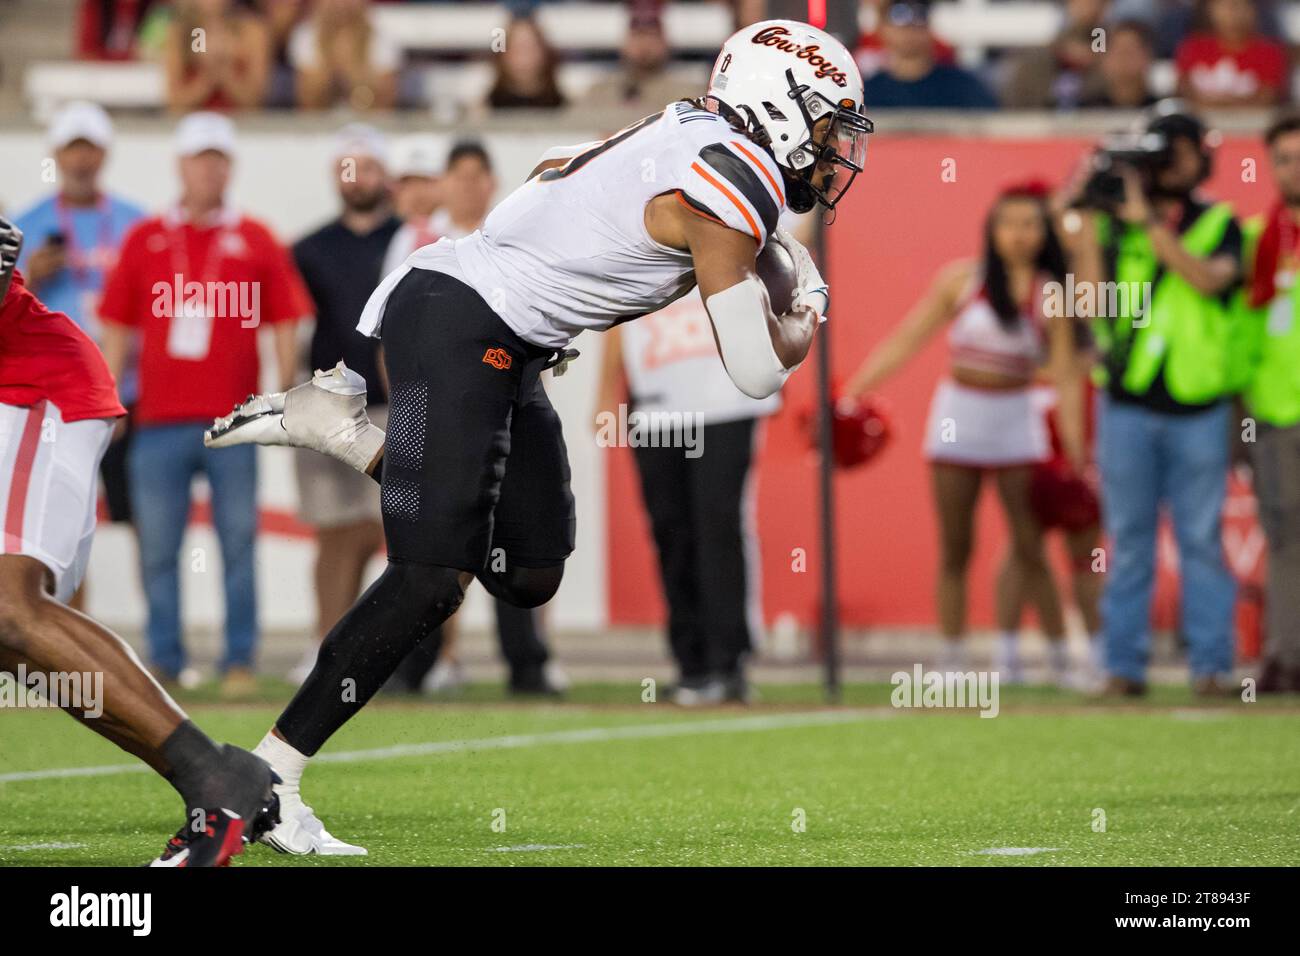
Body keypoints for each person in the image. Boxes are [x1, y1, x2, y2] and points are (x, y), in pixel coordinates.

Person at [205, 18, 865, 854]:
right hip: (457, 317)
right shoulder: (732, 182)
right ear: (774, 106)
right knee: (432, 578)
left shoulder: (701, 139)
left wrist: (774, 260)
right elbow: (758, 368)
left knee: (529, 574)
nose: (833, 144)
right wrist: (806, 310)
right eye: (825, 119)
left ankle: (342, 432)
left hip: (505, 339)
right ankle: (266, 780)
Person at [0, 218, 277, 867]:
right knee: (13, 645)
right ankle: (213, 777)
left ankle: (215, 778)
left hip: (33, 387)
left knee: (10, 606)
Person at [844, 182, 1087, 684]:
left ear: (1043, 233)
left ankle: (1056, 659)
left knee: (1030, 547)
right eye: (1008, 224)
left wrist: (1075, 453)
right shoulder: (961, 280)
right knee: (956, 546)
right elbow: (907, 338)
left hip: (1017, 420)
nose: (1018, 235)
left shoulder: (1052, 295)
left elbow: (1064, 375)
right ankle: (952, 660)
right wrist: (852, 393)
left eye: (1029, 225)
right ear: (991, 231)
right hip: (959, 419)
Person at [98, 112, 306, 697]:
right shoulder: (145, 239)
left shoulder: (255, 237)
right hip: (158, 418)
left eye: (218, 158)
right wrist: (110, 397)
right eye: (199, 158)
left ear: (229, 166)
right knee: (158, 544)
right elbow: (117, 325)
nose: (209, 169)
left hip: (232, 420)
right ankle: (165, 657)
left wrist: (284, 386)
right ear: (180, 165)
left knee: (237, 541)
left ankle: (238, 659)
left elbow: (287, 314)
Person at [1067, 101, 1243, 696]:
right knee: (1129, 540)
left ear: (1202, 157)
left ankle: (1213, 667)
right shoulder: (1113, 222)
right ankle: (1122, 667)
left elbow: (1208, 278)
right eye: (1159, 149)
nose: (1169, 161)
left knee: (1200, 540)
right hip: (1128, 402)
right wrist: (1087, 215)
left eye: (1180, 149)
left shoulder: (1220, 224)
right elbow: (1089, 304)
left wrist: (1146, 222)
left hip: (1199, 404)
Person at [594, 287, 780, 704]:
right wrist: (607, 392)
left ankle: (728, 660)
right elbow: (622, 316)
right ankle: (691, 664)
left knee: (719, 524)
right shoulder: (643, 234)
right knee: (670, 531)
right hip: (657, 405)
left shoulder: (733, 228)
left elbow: (793, 238)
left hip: (727, 400)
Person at [287, 124, 400, 685]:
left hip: (398, 405)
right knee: (334, 533)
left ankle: (409, 658)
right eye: (347, 166)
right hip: (330, 409)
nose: (357, 177)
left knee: (397, 535)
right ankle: (326, 647)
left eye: (367, 165)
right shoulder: (307, 250)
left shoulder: (411, 241)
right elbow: (291, 328)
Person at [14, 102, 144, 538]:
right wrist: (31, 277)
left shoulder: (136, 224)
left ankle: (132, 607)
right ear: (56, 155)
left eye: (90, 149)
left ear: (104, 155)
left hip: (127, 390)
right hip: (54, 397)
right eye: (72, 149)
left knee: (134, 515)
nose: (81, 160)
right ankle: (55, 604)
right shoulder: (23, 226)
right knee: (54, 517)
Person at [1240, 114, 1300, 692]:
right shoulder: (1259, 239)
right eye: (1284, 157)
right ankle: (1287, 657)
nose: (1294, 168)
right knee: (1284, 537)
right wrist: (1244, 411)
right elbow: (1243, 330)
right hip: (1277, 412)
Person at [861, 0, 998, 110]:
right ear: (882, 27)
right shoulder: (868, 94)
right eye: (898, 16)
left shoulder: (964, 88)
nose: (910, 29)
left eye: (920, 16)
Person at [580, 0, 702, 112]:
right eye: (637, 35)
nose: (644, 44)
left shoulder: (688, 96)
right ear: (623, 42)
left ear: (666, 42)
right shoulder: (598, 93)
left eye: (652, 36)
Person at [1175, 0, 1288, 109]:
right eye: (1226, 6)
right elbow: (1182, 88)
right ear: (1210, 10)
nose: (1233, 13)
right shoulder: (1193, 47)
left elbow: (1269, 96)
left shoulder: (1269, 52)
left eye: (1240, 5)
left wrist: (1224, 103)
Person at [163, 0, 273, 112]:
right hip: (194, 123)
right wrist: (207, 77)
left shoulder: (254, 31)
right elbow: (175, 103)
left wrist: (225, 71)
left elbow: (255, 101)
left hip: (241, 123)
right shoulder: (179, 33)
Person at [290, 0, 400, 111]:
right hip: (322, 124)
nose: (342, 4)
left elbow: (384, 108)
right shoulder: (307, 34)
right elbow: (308, 106)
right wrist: (329, 64)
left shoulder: (381, 34)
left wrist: (355, 71)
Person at [1002, 0, 1112, 110]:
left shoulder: (1110, 43)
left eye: (1098, 2)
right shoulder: (1043, 54)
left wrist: (1097, 60)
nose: (1090, 7)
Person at [485, 14, 566, 111]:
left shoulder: (567, 109)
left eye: (530, 48)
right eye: (517, 49)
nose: (524, 57)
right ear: (503, 56)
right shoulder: (483, 112)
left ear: (544, 53)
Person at [1078, 19, 1159, 109]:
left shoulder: (1160, 110)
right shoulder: (1086, 111)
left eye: (1130, 53)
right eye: (1118, 53)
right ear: (1103, 60)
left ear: (1148, 57)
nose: (1123, 61)